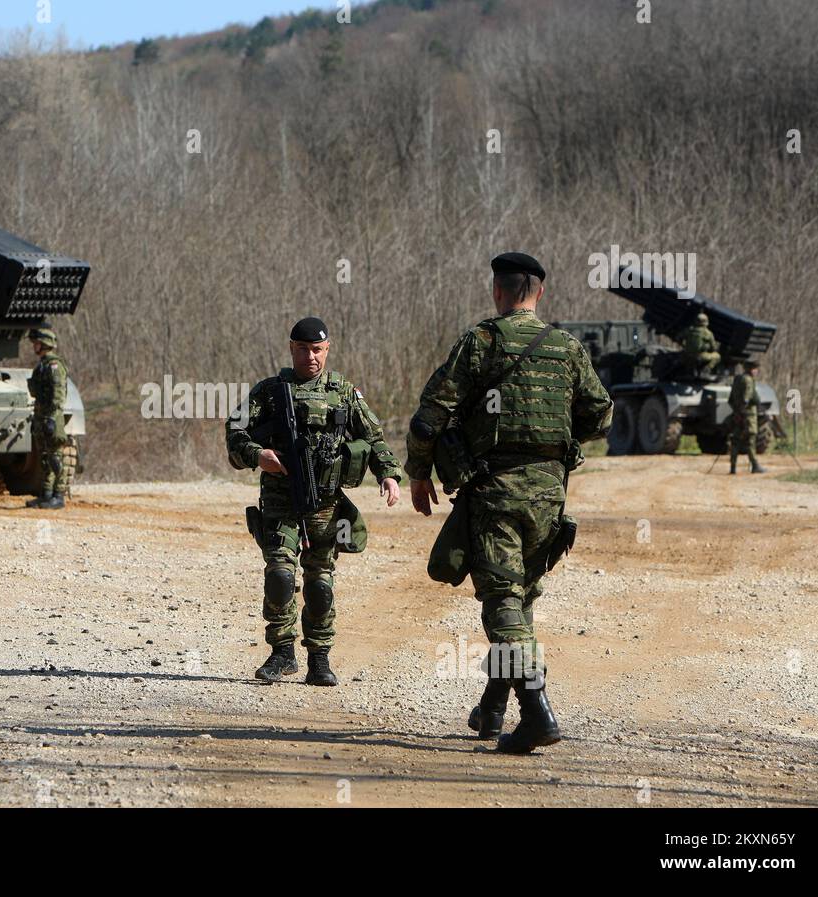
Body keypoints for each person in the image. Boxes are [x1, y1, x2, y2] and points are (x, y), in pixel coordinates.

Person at [405, 252, 612, 753]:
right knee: (519, 598)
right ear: (539, 293)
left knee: (501, 602)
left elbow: (432, 412)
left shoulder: (482, 343)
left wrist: (418, 471)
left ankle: (538, 713)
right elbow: (600, 415)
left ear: (497, 291)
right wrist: (556, 442)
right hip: (548, 497)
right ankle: (494, 709)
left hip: (495, 490)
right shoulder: (567, 347)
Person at [226, 316, 403, 687]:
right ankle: (282, 652)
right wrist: (258, 455)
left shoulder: (343, 392)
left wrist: (388, 473)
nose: (311, 357)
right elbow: (235, 431)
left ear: (328, 349)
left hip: (325, 502)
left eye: (318, 350)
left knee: (319, 584)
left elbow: (374, 437)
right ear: (292, 348)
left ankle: (319, 658)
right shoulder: (270, 392)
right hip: (280, 499)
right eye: (304, 349)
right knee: (279, 575)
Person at [26, 327, 70, 509]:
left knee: (56, 457)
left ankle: (59, 496)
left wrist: (52, 418)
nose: (34, 346)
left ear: (44, 344)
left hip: (52, 417)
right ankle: (46, 494)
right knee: (45, 458)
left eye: (37, 343)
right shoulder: (42, 365)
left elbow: (58, 396)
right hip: (41, 417)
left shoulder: (54, 367)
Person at [728, 360, 766, 474]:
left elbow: (730, 400)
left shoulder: (737, 379)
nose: (756, 371)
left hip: (737, 415)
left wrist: (737, 412)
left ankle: (733, 467)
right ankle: (755, 465)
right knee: (751, 439)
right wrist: (743, 412)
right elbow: (746, 399)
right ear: (751, 369)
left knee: (735, 441)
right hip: (748, 415)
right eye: (755, 369)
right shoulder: (748, 380)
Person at [679, 311, 721, 378]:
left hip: (687, 354)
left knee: (689, 358)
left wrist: (684, 345)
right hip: (701, 356)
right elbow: (713, 348)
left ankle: (689, 372)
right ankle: (705, 370)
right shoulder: (708, 333)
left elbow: (678, 338)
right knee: (717, 356)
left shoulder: (689, 330)